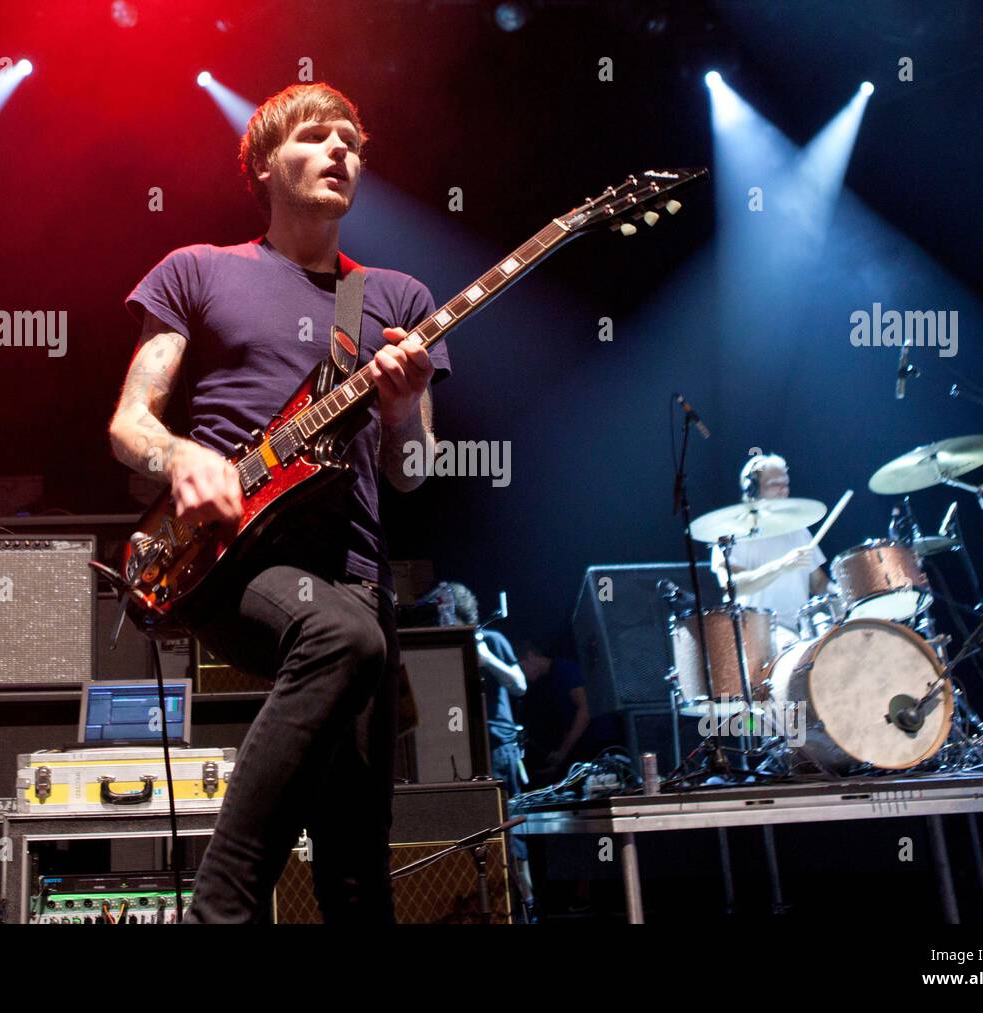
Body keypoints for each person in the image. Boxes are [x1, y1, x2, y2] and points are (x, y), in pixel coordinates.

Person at [107, 82, 451, 923]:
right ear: (264, 163)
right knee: (340, 636)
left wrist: (402, 408)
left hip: (358, 574)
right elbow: (128, 423)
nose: (343, 151)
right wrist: (182, 454)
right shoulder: (198, 270)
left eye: (354, 142)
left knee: (358, 862)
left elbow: (414, 473)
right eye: (318, 137)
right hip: (232, 554)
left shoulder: (397, 299)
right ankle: (218, 911)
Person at [419, 581, 536, 920]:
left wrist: (485, 659)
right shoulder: (439, 647)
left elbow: (520, 685)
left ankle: (525, 909)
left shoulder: (493, 641)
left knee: (511, 837)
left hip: (499, 750)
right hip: (457, 749)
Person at [710, 450, 831, 632]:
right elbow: (733, 586)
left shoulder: (797, 529)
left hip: (800, 633)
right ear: (752, 488)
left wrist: (848, 594)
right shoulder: (730, 534)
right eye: (775, 484)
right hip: (754, 633)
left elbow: (818, 583)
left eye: (786, 484)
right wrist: (781, 566)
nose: (783, 490)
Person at [517, 642, 590, 786]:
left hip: (593, 743)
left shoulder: (565, 669)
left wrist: (563, 752)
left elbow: (585, 710)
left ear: (530, 656)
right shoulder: (549, 679)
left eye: (521, 667)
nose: (522, 674)